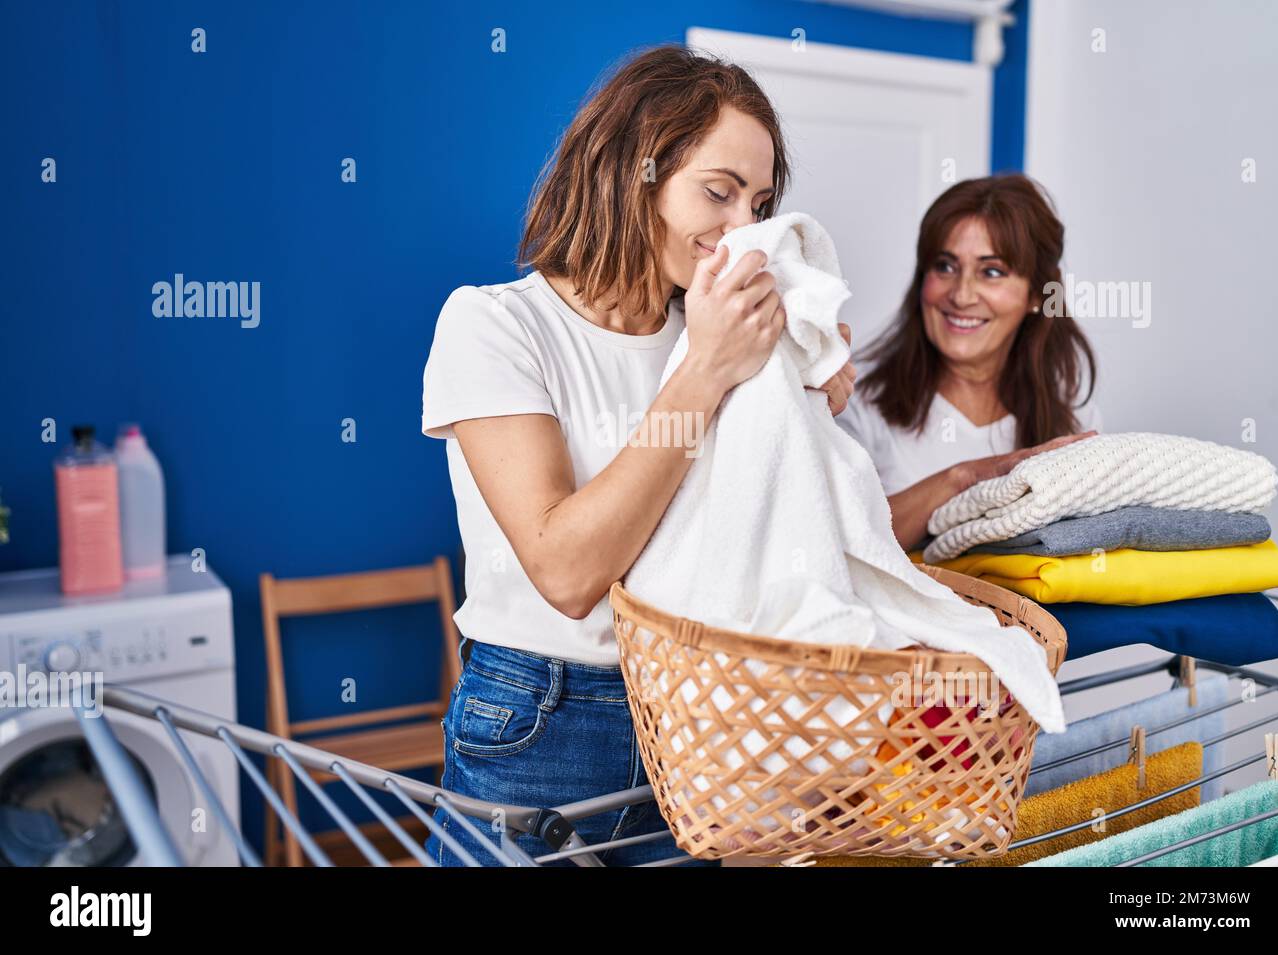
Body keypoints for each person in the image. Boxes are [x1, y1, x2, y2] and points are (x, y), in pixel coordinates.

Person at [419, 44, 856, 866]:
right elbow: (568, 572)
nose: (741, 231)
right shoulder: (495, 326)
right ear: (631, 175)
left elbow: (790, 523)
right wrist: (706, 373)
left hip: (700, 715)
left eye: (758, 204)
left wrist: (809, 375)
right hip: (540, 719)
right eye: (717, 193)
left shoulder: (720, 336)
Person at [836, 174, 1101, 553]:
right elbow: (842, 540)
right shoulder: (857, 404)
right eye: (945, 266)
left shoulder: (1073, 414)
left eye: (991, 271)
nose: (961, 295)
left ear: (1037, 295)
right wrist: (962, 479)